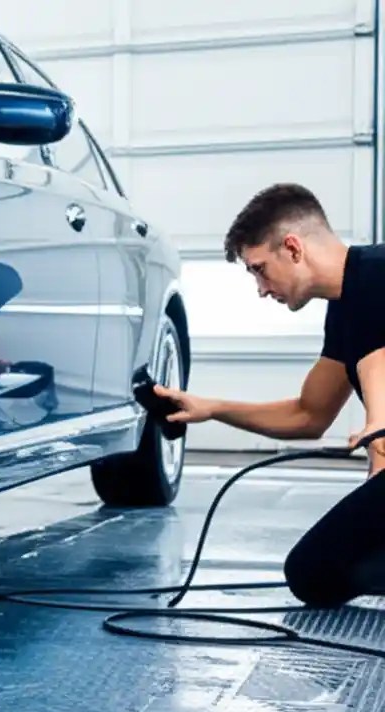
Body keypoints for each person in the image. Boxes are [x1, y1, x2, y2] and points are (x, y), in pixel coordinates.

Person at [153, 182, 385, 608]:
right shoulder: (346, 305)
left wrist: (378, 424)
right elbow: (308, 415)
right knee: (312, 574)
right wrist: (212, 409)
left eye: (259, 268)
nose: (261, 288)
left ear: (293, 248)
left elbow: (381, 363)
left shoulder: (379, 273)